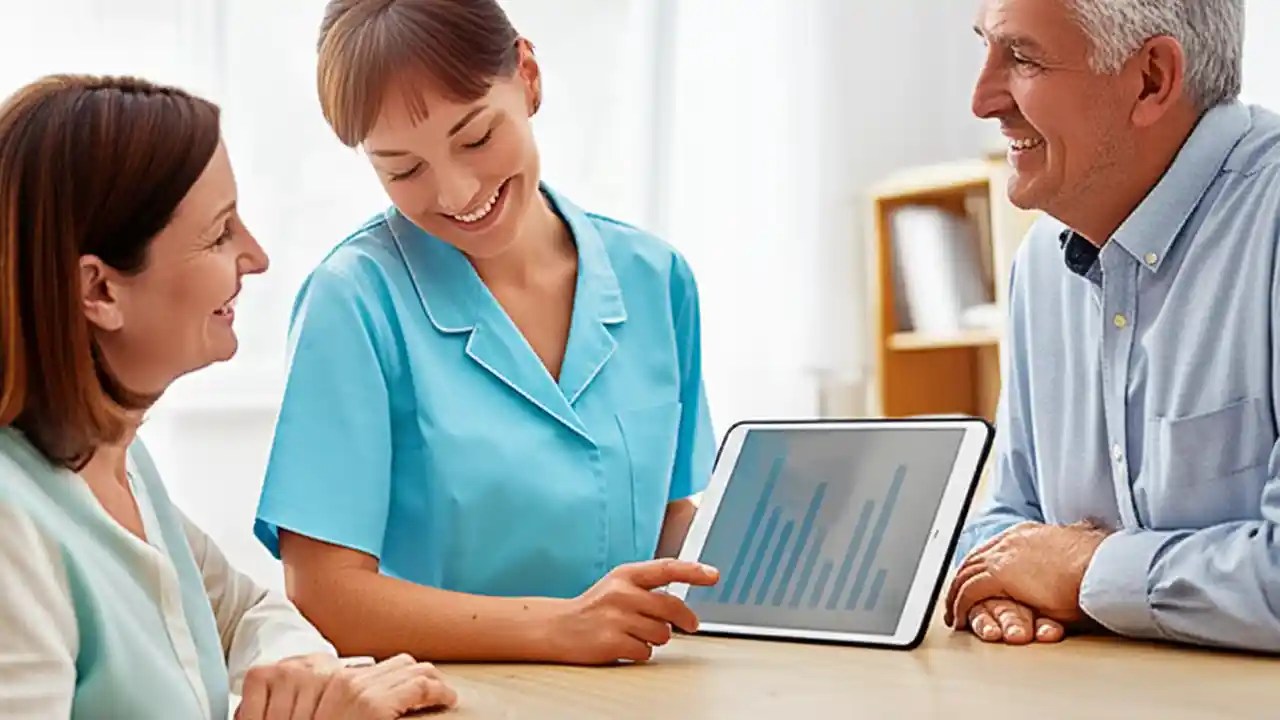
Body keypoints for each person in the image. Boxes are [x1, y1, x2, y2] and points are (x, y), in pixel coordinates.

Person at [252, 0, 721, 667]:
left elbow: (670, 519)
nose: (455, 191)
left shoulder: (656, 278)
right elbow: (326, 595)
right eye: (403, 170)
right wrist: (556, 628)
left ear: (527, 76)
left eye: (474, 138)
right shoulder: (353, 301)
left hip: (636, 695)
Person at [0, 74, 459, 718]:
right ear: (100, 292)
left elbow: (249, 612)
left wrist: (301, 674)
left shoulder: (117, 463)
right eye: (219, 235)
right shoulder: (12, 528)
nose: (257, 256)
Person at [943, 0, 1280, 654]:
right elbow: (1005, 526)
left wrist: (1084, 571)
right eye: (985, 47)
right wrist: (1009, 581)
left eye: (1021, 57)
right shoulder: (1040, 262)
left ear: (1151, 78)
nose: (982, 100)